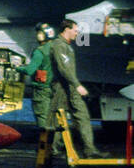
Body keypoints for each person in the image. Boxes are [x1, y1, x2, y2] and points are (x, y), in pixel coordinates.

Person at [46, 18, 99, 159]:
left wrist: (74, 86)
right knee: (58, 120)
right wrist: (77, 85)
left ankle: (90, 150)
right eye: (75, 30)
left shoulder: (67, 46)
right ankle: (53, 150)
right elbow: (63, 69)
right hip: (61, 88)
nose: (77, 33)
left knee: (83, 116)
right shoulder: (58, 46)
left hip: (70, 87)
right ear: (67, 30)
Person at [14, 23, 55, 133]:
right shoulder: (55, 48)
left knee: (42, 120)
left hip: (41, 90)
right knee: (52, 118)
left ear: (45, 35)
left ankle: (44, 146)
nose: (37, 35)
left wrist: (17, 68)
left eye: (40, 33)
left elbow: (29, 70)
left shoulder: (40, 52)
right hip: (53, 88)